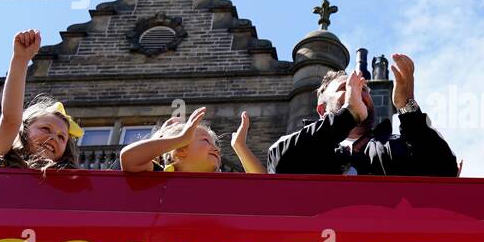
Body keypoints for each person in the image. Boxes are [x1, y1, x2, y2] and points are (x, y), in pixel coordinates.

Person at [268, 54, 458, 176]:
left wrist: (407, 106)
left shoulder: (396, 145)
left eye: (365, 89)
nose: (359, 92)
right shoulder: (302, 145)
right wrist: (348, 114)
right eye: (346, 88)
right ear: (321, 110)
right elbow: (279, 164)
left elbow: (444, 168)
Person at [0, 30, 81, 169]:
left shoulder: (68, 183)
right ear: (23, 130)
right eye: (45, 128)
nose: (54, 138)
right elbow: (10, 120)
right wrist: (21, 59)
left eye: (61, 137)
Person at [119, 106, 264, 173]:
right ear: (181, 150)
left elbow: (266, 189)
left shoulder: (221, 186)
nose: (217, 149)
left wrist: (240, 147)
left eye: (216, 145)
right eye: (206, 141)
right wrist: (181, 138)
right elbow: (128, 159)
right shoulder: (158, 175)